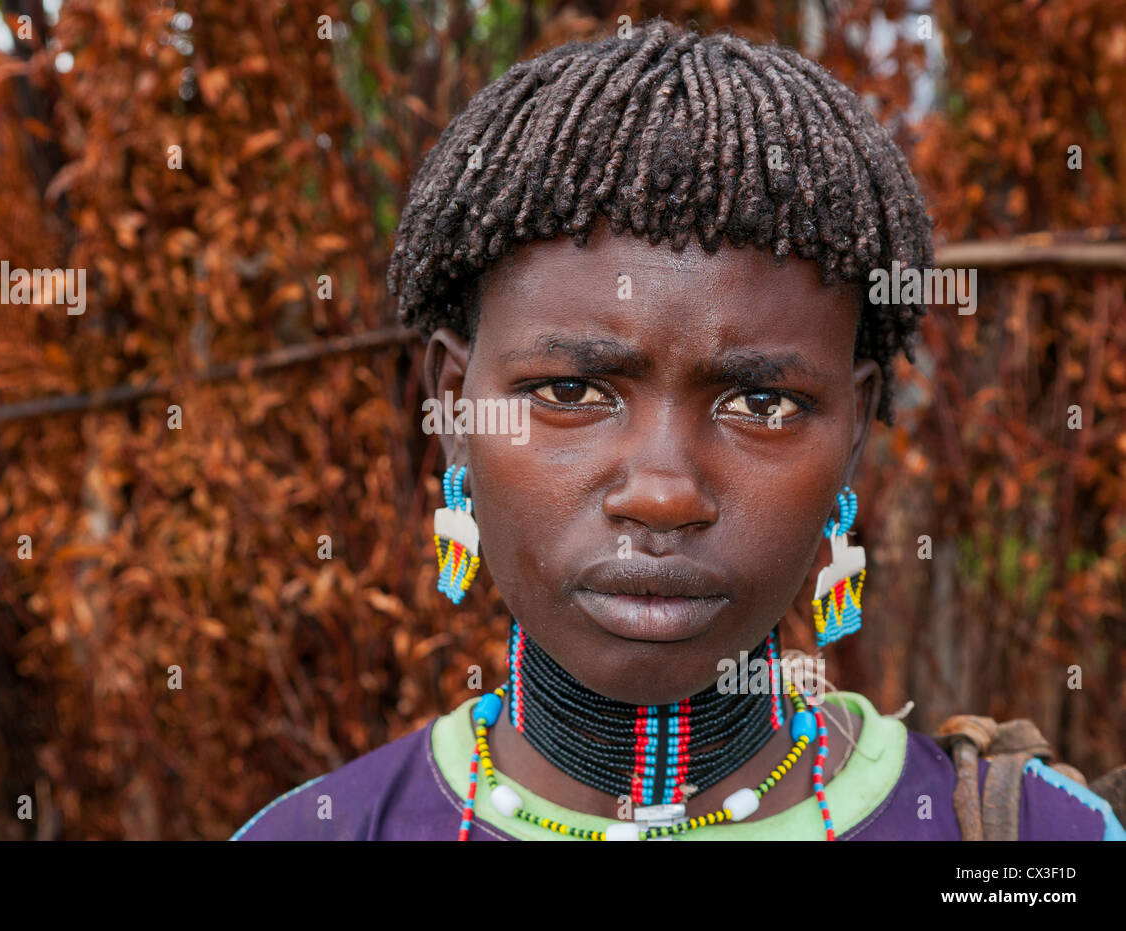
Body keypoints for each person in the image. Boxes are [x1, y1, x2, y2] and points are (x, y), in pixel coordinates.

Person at [233, 18, 1124, 841]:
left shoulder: (1030, 845)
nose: (662, 493)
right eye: (573, 389)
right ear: (457, 406)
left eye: (762, 404)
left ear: (853, 432)